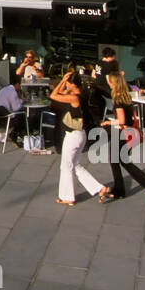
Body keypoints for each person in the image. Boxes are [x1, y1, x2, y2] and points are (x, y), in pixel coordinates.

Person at [98, 73, 145, 203]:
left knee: (117, 161)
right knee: (121, 161)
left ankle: (126, 189)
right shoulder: (126, 97)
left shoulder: (118, 100)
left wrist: (108, 122)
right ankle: (140, 186)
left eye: (109, 82)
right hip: (129, 133)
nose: (108, 84)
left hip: (122, 133)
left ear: (113, 84)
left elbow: (121, 120)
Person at [50, 72, 105, 205]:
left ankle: (68, 196)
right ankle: (99, 188)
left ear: (72, 84)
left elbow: (53, 95)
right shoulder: (82, 93)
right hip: (81, 134)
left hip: (73, 136)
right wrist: (64, 83)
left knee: (66, 166)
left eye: (68, 83)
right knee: (76, 165)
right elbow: (61, 93)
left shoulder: (74, 97)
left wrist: (63, 81)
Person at [0, 76, 26, 146]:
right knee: (23, 115)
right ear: (17, 84)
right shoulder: (12, 92)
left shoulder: (4, 89)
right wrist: (21, 100)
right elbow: (16, 108)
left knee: (21, 114)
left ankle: (18, 134)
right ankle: (14, 134)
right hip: (6, 117)